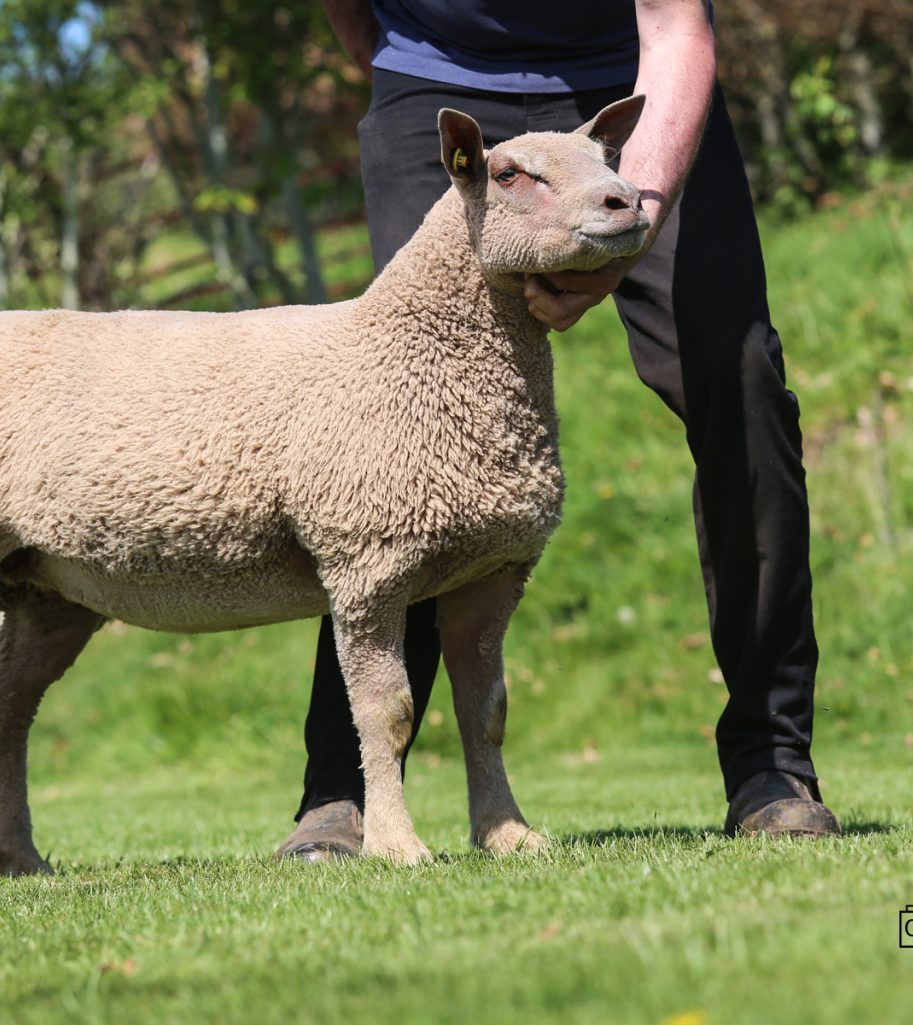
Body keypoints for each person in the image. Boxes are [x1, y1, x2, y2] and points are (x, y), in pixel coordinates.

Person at [276, 0, 840, 860]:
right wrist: (399, 60)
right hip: (435, 82)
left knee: (742, 382)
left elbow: (679, 31)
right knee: (402, 432)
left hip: (630, 86)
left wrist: (626, 229)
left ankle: (773, 763)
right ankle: (342, 795)